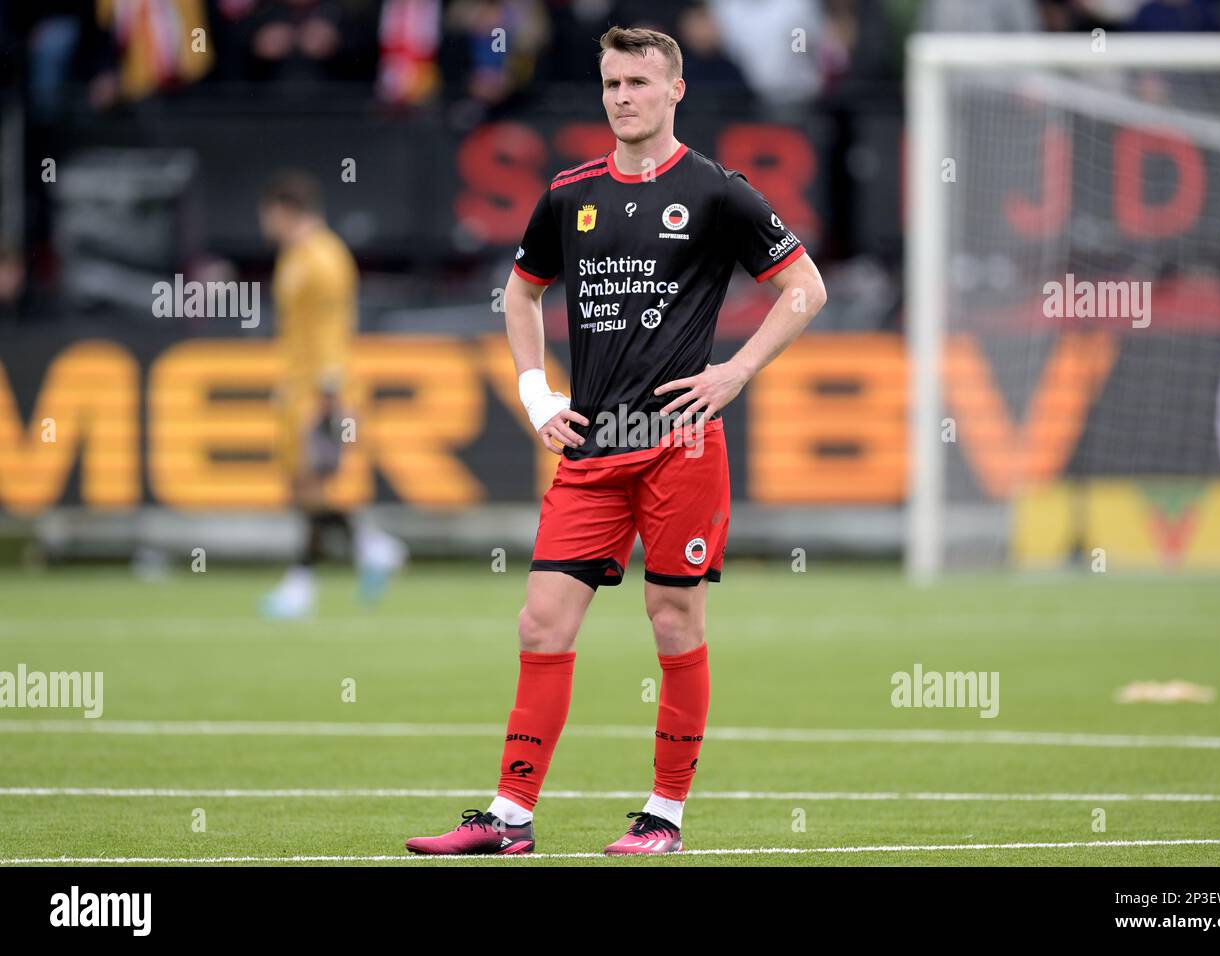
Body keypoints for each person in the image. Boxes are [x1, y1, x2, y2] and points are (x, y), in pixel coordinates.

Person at [406, 25, 825, 856]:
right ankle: (509, 818)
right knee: (540, 623)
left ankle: (663, 815)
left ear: (675, 90)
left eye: (638, 81)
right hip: (593, 450)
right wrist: (535, 393)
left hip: (681, 448)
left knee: (673, 621)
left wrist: (733, 373)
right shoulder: (570, 195)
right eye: (611, 84)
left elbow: (804, 287)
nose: (622, 97)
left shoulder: (717, 192)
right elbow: (519, 297)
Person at [257, 170, 406, 620]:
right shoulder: (297, 256)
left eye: (269, 214)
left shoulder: (323, 258)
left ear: (285, 210)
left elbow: (330, 332)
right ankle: (372, 547)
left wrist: (327, 392)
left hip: (321, 391)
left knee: (312, 486)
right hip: (300, 387)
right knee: (306, 490)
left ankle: (301, 582)